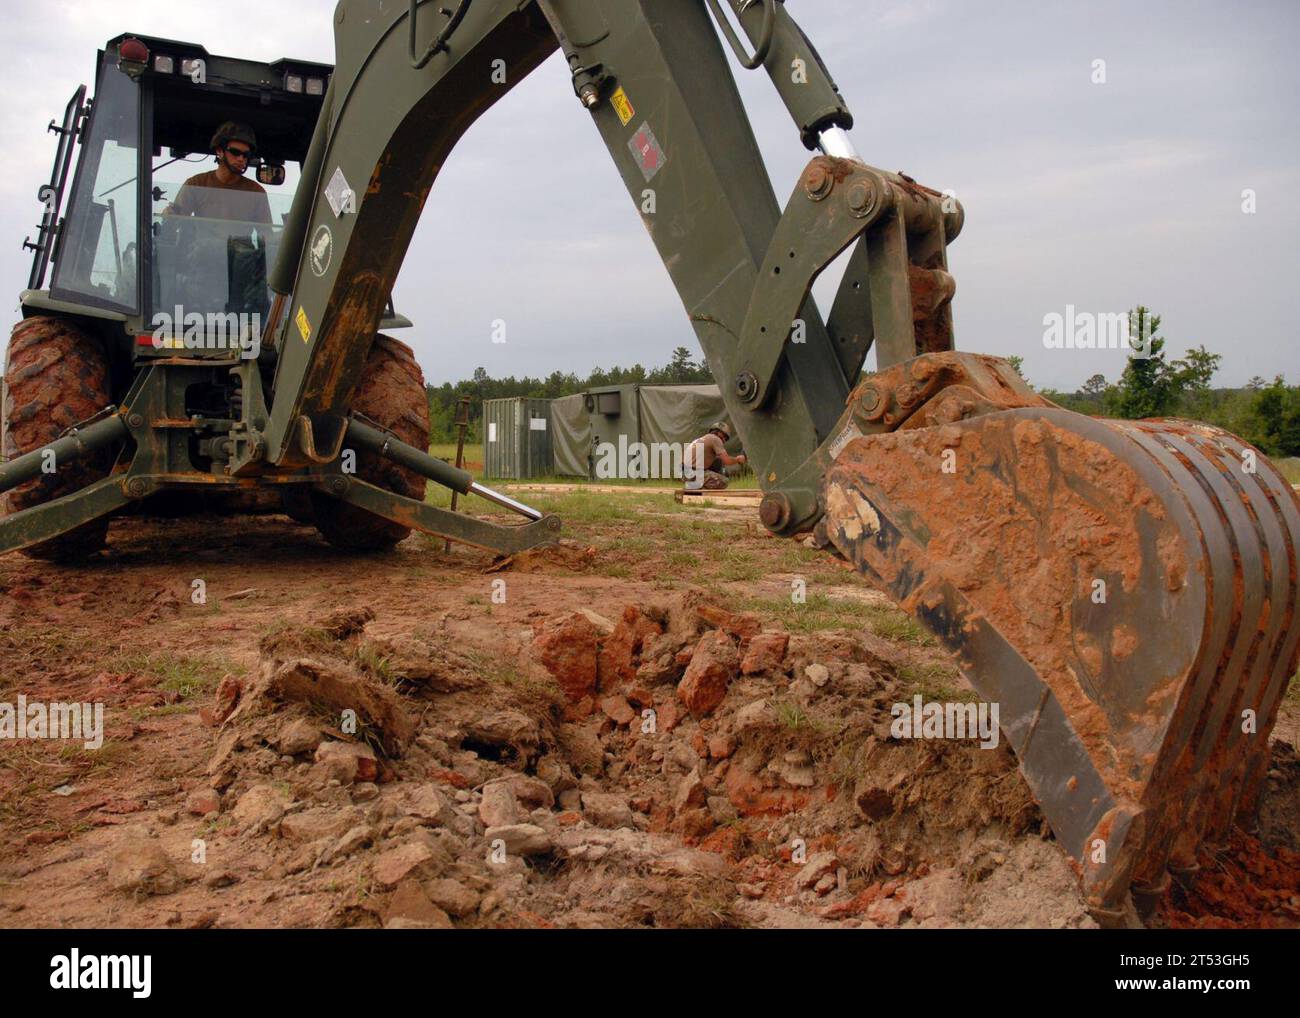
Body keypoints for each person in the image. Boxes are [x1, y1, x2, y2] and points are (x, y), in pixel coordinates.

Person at [169, 121, 272, 224]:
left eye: (246, 155)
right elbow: (174, 223)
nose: (241, 159)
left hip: (240, 240)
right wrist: (169, 217)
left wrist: (286, 230)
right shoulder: (196, 184)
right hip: (203, 240)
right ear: (219, 151)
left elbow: (266, 236)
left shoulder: (256, 192)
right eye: (235, 152)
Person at [684, 421, 746, 490]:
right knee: (724, 482)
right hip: (693, 473)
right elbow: (727, 461)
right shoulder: (715, 439)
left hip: (685, 473)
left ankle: (695, 484)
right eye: (724, 437)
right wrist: (738, 459)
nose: (724, 440)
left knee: (718, 461)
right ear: (718, 432)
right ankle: (697, 487)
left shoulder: (701, 439)